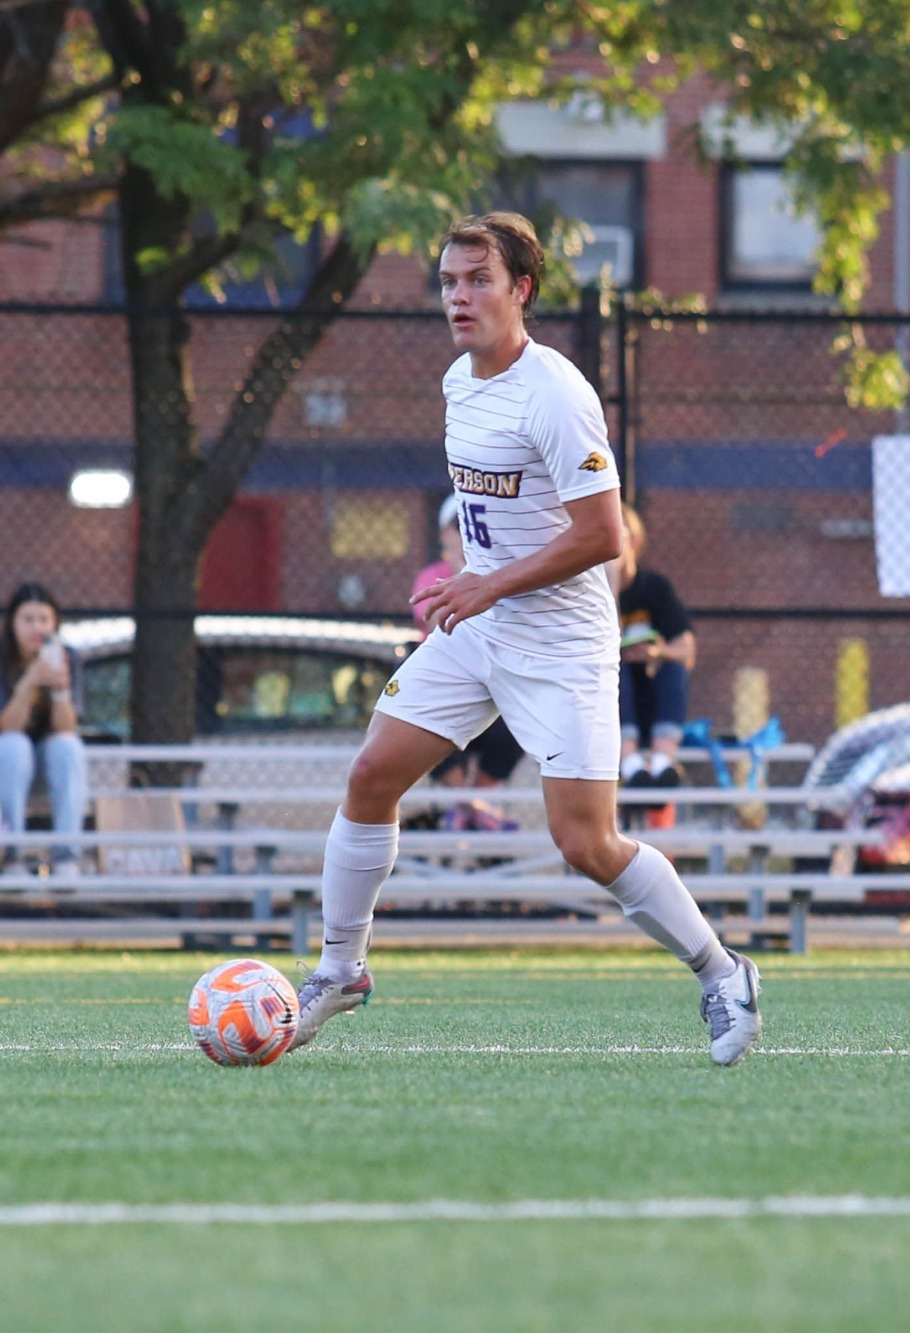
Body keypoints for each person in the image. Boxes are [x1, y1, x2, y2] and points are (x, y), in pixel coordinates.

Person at [291, 211, 763, 1066]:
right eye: (447, 282)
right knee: (370, 775)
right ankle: (341, 967)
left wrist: (485, 582)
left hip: (562, 646)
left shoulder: (557, 392)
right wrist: (476, 586)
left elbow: (602, 537)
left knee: (585, 843)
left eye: (478, 280)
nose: (459, 297)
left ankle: (721, 969)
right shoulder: (457, 382)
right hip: (480, 631)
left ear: (522, 290)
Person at [0, 582, 90, 878]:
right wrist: (30, 681)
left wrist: (61, 690)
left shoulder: (68, 658)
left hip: (32, 764)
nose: (36, 627)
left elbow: (65, 728)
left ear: (55, 624)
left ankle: (66, 858)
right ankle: (11, 857)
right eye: (27, 619)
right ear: (11, 623)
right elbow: (7, 726)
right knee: (14, 744)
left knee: (68, 746)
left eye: (44, 619)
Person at [412, 493, 523, 831]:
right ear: (444, 534)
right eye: (456, 527)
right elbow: (437, 622)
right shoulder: (431, 575)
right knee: (423, 730)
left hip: (489, 685)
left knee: (515, 728)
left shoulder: (500, 574)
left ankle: (468, 810)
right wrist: (464, 572)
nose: (463, 534)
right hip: (447, 684)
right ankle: (476, 810)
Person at [616, 507, 696, 792]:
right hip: (611, 706)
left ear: (633, 541)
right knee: (615, 670)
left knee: (675, 667)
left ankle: (663, 761)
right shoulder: (593, 594)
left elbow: (687, 648)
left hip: (652, 702)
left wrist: (657, 654)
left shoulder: (655, 588)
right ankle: (630, 762)